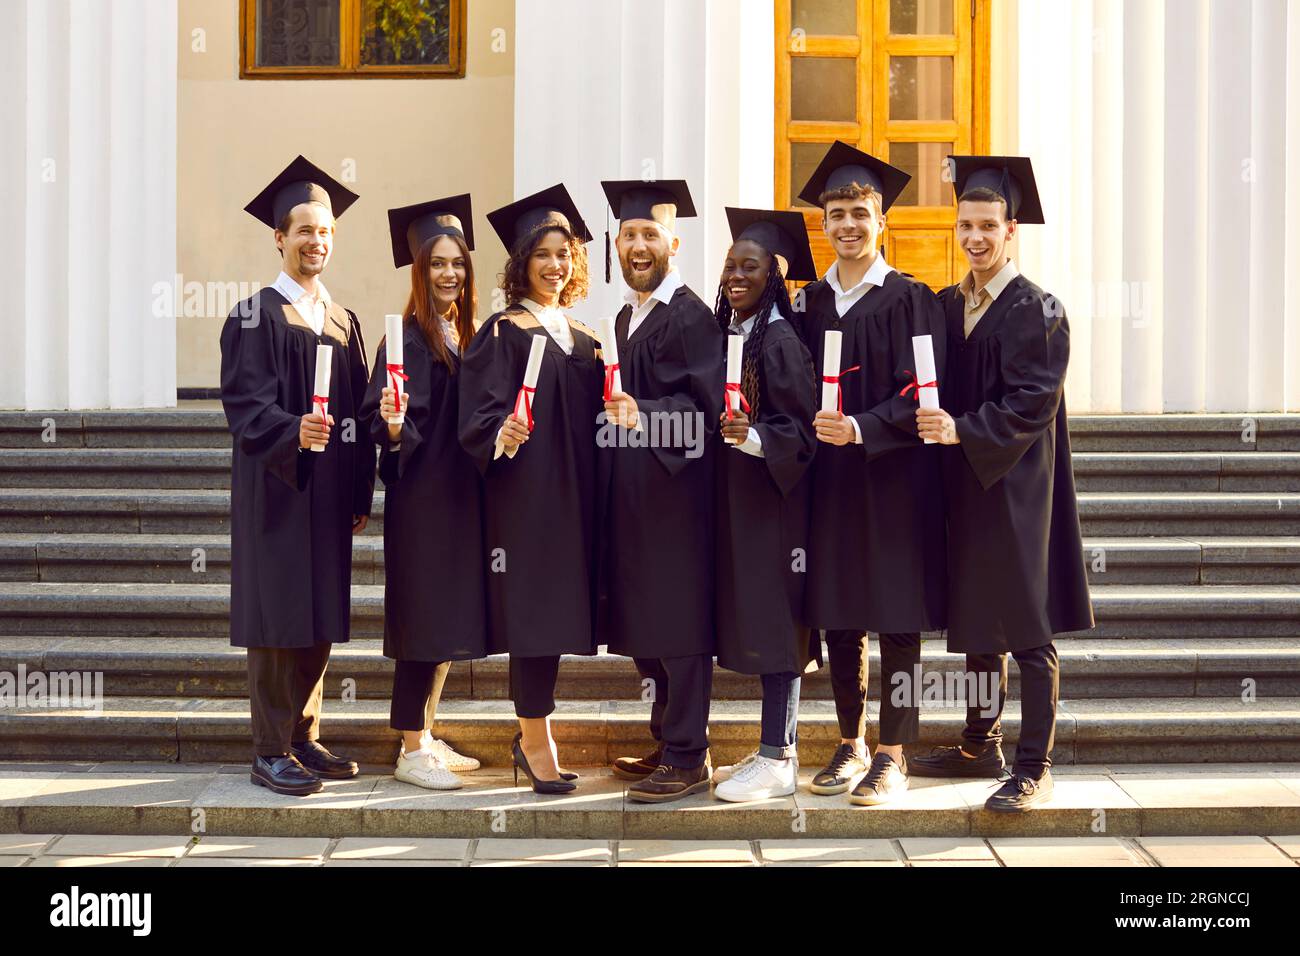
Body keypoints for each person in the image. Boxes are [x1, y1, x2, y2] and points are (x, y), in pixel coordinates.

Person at [913, 155, 1094, 812]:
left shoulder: (1037, 310)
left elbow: (1033, 401)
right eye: (966, 225)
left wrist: (962, 430)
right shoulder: (949, 304)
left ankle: (1033, 766)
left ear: (1011, 228)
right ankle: (978, 744)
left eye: (989, 225)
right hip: (963, 484)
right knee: (977, 615)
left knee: (1025, 622)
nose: (976, 238)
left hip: (1017, 486)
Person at [219, 155, 376, 796]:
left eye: (327, 232)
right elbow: (245, 407)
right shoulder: (253, 316)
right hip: (277, 494)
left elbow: (363, 412)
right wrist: (292, 431)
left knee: (317, 617)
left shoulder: (343, 321)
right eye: (304, 230)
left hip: (329, 495)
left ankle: (305, 737)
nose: (317, 241)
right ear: (279, 238)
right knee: (277, 619)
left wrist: (360, 488)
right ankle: (269, 748)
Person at [798, 142, 948, 805]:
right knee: (839, 615)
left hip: (891, 479)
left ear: (881, 219)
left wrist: (861, 427)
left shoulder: (911, 299)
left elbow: (924, 390)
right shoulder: (807, 306)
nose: (848, 225)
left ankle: (894, 752)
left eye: (859, 211)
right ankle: (850, 740)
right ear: (822, 224)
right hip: (828, 481)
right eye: (836, 213)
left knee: (897, 614)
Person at [459, 184, 603, 794]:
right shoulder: (503, 332)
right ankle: (534, 739)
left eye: (564, 253)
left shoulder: (585, 337)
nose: (555, 265)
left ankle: (538, 730)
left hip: (580, 500)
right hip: (530, 502)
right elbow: (477, 417)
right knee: (535, 622)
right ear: (522, 263)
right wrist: (502, 432)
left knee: (562, 619)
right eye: (543, 254)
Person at [598, 179, 723, 803]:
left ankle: (689, 754)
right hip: (635, 497)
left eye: (651, 235)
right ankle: (665, 740)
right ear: (615, 243)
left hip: (680, 501)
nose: (639, 245)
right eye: (629, 235)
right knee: (647, 623)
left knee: (678, 626)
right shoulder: (626, 316)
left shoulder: (692, 317)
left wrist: (641, 413)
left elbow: (705, 417)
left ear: (674, 242)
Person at [360, 194, 486, 791]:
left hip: (459, 499)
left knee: (440, 621)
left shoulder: (467, 334)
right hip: (422, 503)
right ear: (419, 271)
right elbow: (381, 429)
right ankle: (411, 745)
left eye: (457, 262)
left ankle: (425, 733)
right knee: (420, 621)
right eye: (437, 264)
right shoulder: (404, 339)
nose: (449, 273)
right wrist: (389, 423)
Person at [708, 208, 819, 803]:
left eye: (749, 267)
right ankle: (770, 747)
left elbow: (801, 435)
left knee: (780, 627)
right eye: (730, 266)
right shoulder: (742, 334)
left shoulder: (778, 341)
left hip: (779, 509)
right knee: (763, 619)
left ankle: (780, 757)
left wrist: (750, 438)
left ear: (775, 274)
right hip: (747, 504)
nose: (735, 276)